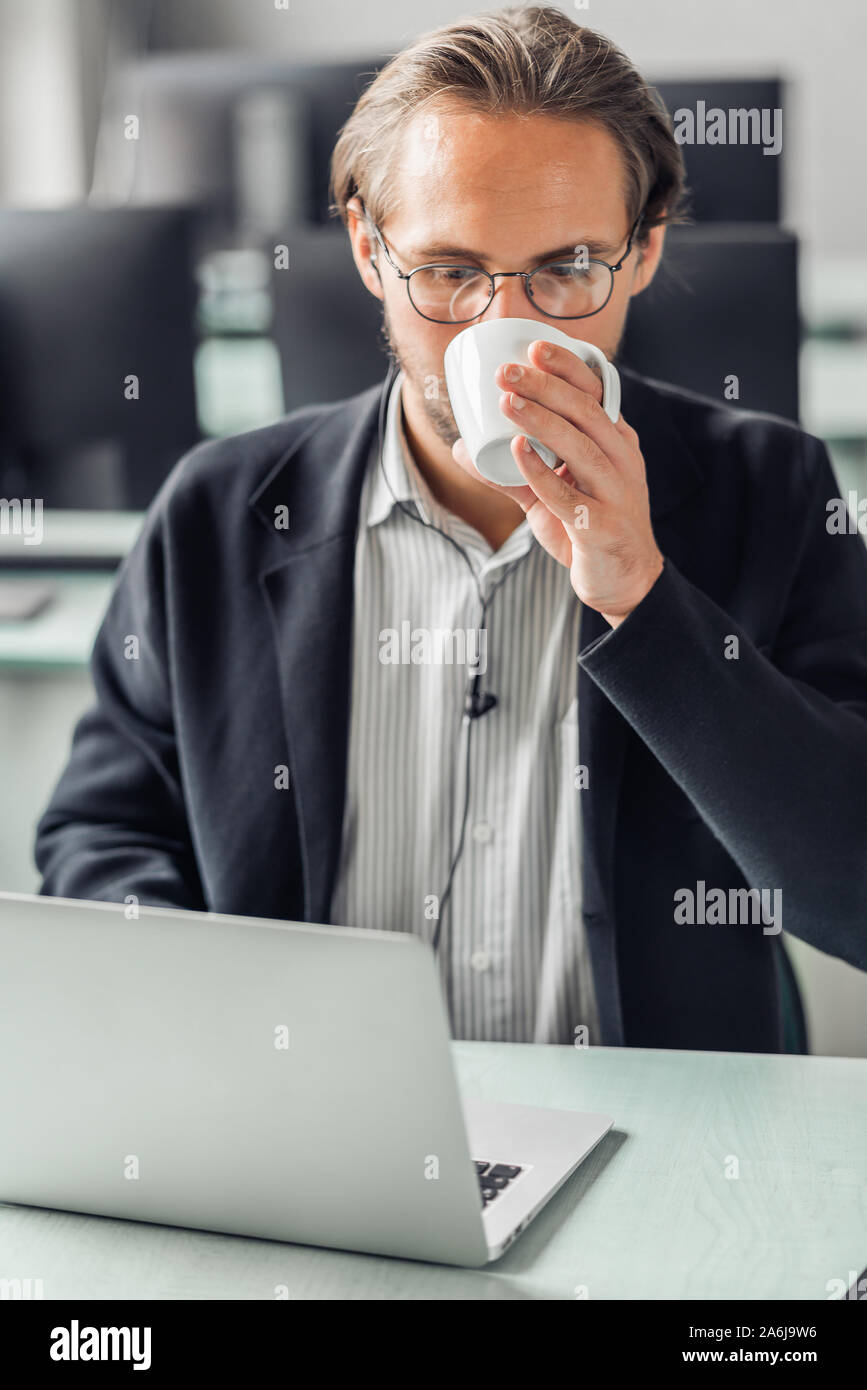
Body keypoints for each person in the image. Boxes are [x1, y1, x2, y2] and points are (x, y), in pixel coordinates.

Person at [35, 6, 867, 1052]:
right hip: (313, 1125)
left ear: (645, 249)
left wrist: (644, 602)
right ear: (369, 252)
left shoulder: (772, 489)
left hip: (664, 1139)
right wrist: (209, 1025)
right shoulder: (217, 511)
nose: (500, 329)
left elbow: (856, 894)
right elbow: (103, 831)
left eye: (565, 269)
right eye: (450, 269)